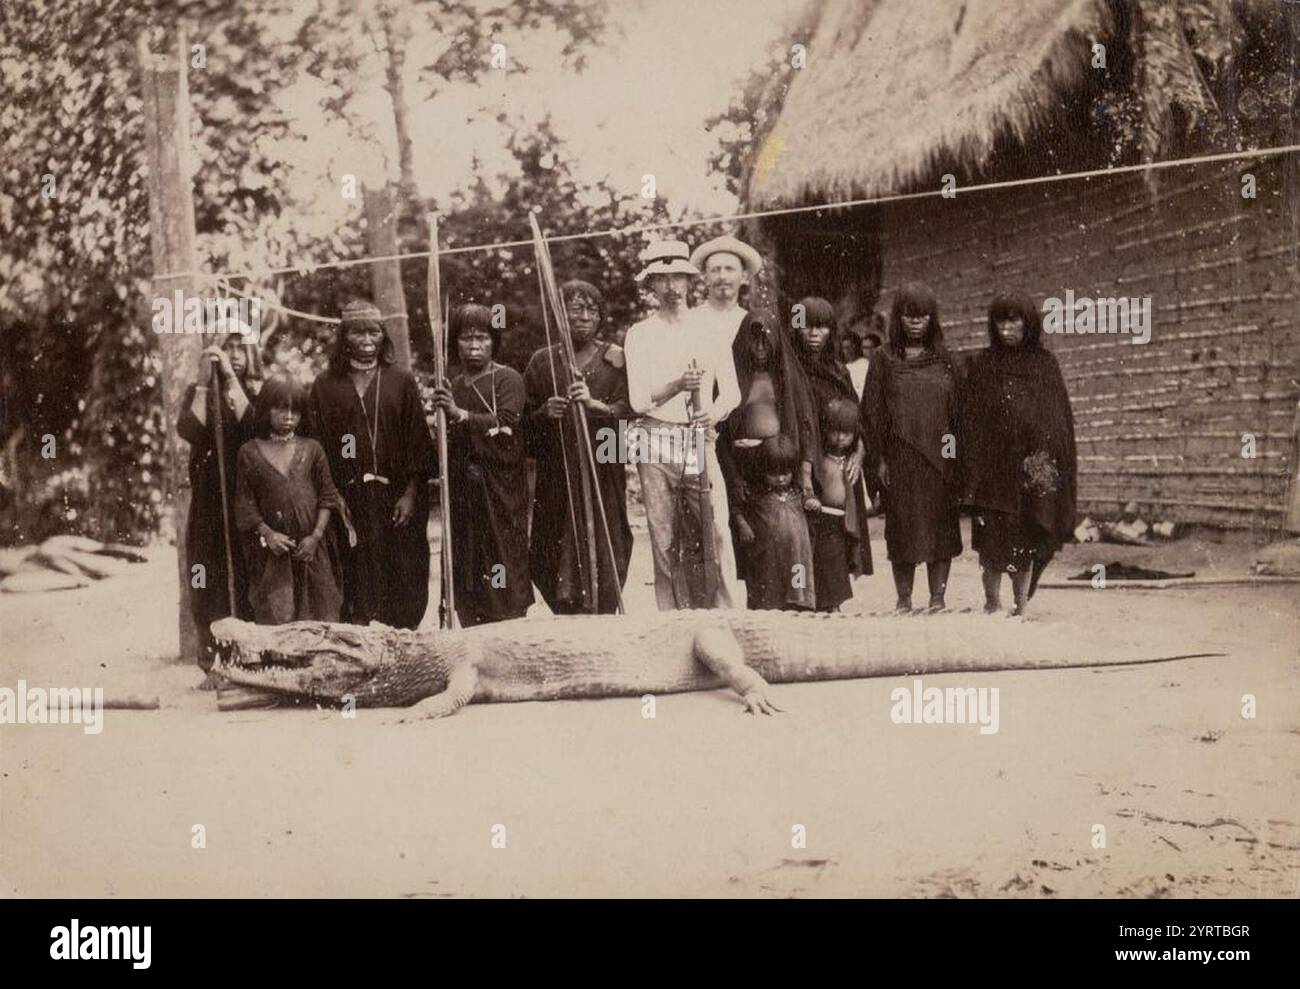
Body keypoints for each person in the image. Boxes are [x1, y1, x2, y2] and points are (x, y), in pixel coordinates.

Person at [623, 239, 741, 609]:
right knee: (663, 536)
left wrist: (713, 412)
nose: (672, 287)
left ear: (690, 282)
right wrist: (677, 385)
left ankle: (728, 615)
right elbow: (639, 401)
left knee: (716, 528)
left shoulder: (709, 329)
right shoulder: (640, 334)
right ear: (651, 285)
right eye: (662, 279)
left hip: (698, 436)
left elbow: (732, 393)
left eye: (678, 278)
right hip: (655, 438)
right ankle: (672, 619)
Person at [307, 300, 433, 628]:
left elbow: (419, 443)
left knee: (403, 574)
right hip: (349, 500)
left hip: (396, 500)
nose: (366, 339)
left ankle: (402, 642)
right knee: (357, 575)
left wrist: (410, 493)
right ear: (344, 337)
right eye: (357, 332)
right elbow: (316, 446)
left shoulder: (400, 381)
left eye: (373, 331)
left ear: (383, 335)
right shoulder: (326, 385)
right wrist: (334, 496)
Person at [961, 293, 1077, 615]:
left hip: (1032, 469)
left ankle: (1020, 605)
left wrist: (1045, 463)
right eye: (1001, 321)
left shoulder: (1044, 364)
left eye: (1015, 320)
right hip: (993, 470)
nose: (1008, 328)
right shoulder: (983, 364)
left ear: (1028, 323)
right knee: (993, 544)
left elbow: (1057, 419)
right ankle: (992, 602)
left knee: (1026, 539)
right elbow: (971, 418)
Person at [523, 279, 632, 614]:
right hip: (558, 474)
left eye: (591, 310)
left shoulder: (616, 360)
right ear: (560, 316)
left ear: (600, 317)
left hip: (603, 469)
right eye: (574, 309)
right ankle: (565, 613)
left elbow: (632, 412)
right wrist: (544, 414)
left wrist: (599, 407)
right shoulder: (542, 362)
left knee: (607, 541)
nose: (583, 316)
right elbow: (524, 429)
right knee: (549, 547)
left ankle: (602, 611)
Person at [861, 283, 963, 612]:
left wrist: (953, 458)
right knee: (902, 530)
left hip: (941, 459)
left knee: (941, 530)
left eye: (922, 315)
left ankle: (937, 598)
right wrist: (879, 462)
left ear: (932, 318)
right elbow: (872, 413)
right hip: (900, 458)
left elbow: (959, 414)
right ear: (899, 318)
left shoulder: (946, 359)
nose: (915, 321)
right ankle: (903, 599)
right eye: (909, 315)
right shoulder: (883, 359)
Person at [432, 303, 533, 626]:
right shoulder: (452, 385)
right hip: (464, 493)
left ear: (493, 341)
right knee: (466, 563)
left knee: (501, 563)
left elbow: (506, 426)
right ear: (455, 343)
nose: (474, 346)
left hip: (500, 492)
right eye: (465, 338)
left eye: (482, 338)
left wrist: (459, 415)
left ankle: (506, 630)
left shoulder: (507, 380)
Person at [176, 327, 262, 688]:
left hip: (246, 501)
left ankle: (247, 660)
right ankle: (212, 660)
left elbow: (253, 425)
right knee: (204, 574)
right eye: (226, 348)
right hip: (209, 503)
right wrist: (202, 382)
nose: (234, 355)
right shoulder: (199, 394)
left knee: (245, 577)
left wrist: (228, 376)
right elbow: (190, 430)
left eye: (240, 348)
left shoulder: (257, 392)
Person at [234, 376, 351, 624]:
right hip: (274, 554)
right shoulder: (249, 452)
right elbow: (245, 504)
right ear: (265, 408)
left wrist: (315, 537)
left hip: (312, 550)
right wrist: (268, 534)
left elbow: (328, 497)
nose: (288, 416)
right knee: (278, 615)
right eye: (280, 408)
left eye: (295, 410)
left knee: (321, 612)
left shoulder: (312, 449)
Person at [717, 310, 817, 593]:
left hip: (781, 467)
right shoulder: (732, 378)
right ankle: (764, 599)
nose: (760, 350)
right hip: (746, 470)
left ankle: (795, 597)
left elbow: (804, 425)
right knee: (756, 541)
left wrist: (805, 475)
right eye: (754, 342)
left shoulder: (787, 377)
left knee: (790, 535)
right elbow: (723, 433)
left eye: (766, 342)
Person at [792, 299, 874, 611]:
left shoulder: (838, 371)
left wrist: (859, 450)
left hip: (836, 464)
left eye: (823, 326)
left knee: (835, 536)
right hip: (799, 463)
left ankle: (833, 604)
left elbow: (858, 416)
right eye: (808, 325)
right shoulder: (790, 369)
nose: (815, 333)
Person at [739, 434, 816, 611]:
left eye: (785, 473)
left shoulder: (797, 492)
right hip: (769, 556)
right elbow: (740, 510)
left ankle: (799, 605)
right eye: (774, 474)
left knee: (798, 586)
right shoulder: (757, 496)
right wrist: (743, 523)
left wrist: (813, 504)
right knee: (770, 588)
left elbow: (812, 509)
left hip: (796, 556)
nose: (781, 478)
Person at [689, 233, 764, 350]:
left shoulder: (751, 323)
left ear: (744, 276)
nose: (722, 276)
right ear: (705, 277)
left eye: (729, 269)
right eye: (715, 270)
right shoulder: (690, 321)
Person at [840, 331, 870, 400]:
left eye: (850, 347)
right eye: (845, 348)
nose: (847, 351)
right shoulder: (844, 368)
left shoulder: (866, 365)